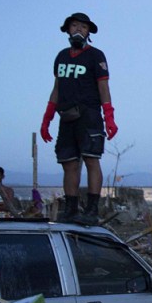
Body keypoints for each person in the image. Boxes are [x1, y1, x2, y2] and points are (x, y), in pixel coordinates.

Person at [39, 12, 117, 225]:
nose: (79, 30)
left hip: (89, 115)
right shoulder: (62, 56)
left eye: (83, 27)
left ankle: (92, 209)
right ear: (68, 29)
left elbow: (104, 87)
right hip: (66, 116)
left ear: (89, 32)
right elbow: (57, 88)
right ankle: (71, 208)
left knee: (92, 159)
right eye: (75, 26)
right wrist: (46, 120)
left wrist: (109, 117)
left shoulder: (96, 56)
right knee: (68, 163)